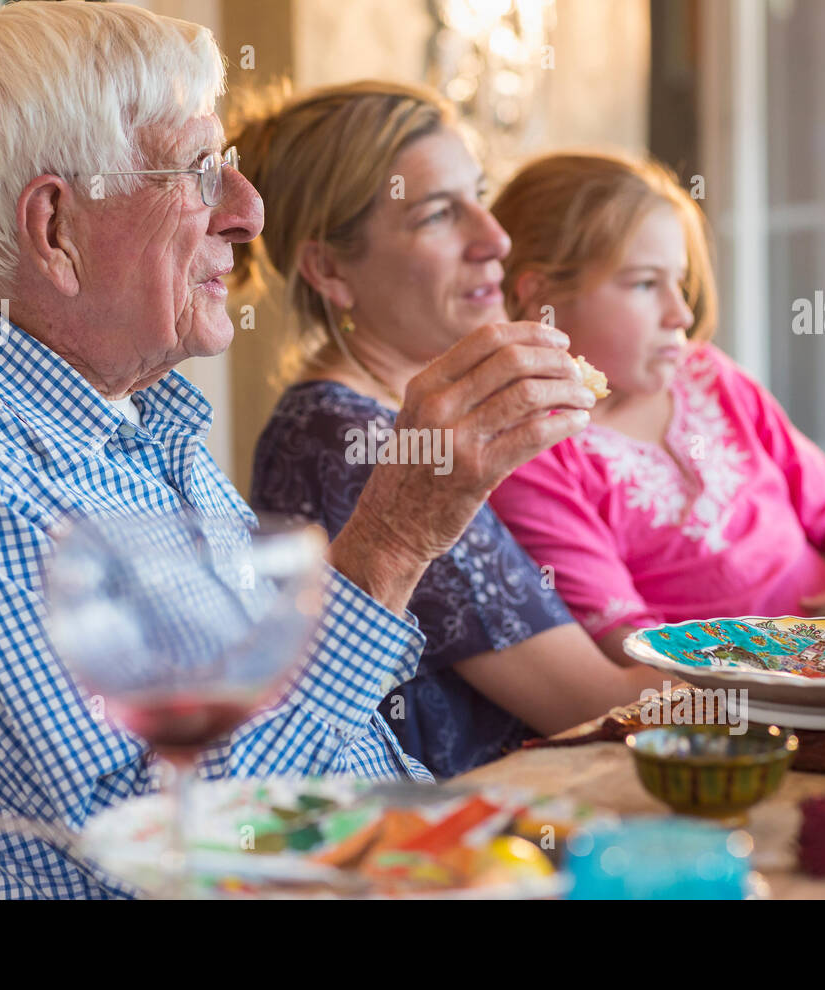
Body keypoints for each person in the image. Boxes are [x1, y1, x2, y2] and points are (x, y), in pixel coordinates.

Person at [0, 3, 592, 898]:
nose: (249, 215)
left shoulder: (147, 436)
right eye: (201, 172)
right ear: (55, 228)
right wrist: (391, 540)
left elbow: (304, 761)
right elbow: (178, 852)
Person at [232, 82, 664, 779]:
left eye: (481, 195)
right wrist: (799, 667)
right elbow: (601, 705)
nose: (493, 238)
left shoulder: (421, 414)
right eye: (438, 215)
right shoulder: (357, 446)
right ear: (330, 269)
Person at [487, 152, 825, 662]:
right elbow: (631, 646)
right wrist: (816, 653)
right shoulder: (536, 452)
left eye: (679, 282)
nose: (681, 312)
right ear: (539, 296)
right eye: (644, 284)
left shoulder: (710, 377)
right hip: (754, 698)